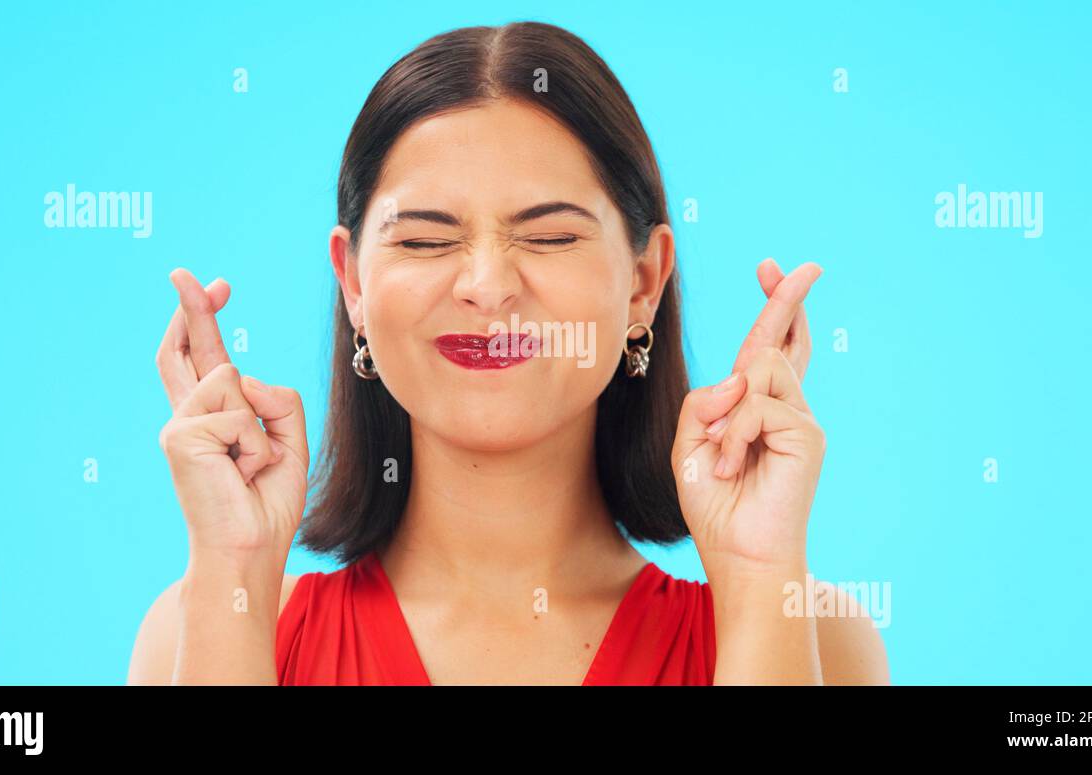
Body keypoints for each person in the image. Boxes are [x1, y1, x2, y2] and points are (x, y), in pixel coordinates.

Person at [127, 21, 888, 685]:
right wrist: (232, 572)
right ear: (354, 282)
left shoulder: (811, 633)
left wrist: (761, 581)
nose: (487, 288)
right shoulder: (205, 622)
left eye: (551, 236)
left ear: (644, 282)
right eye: (426, 239)